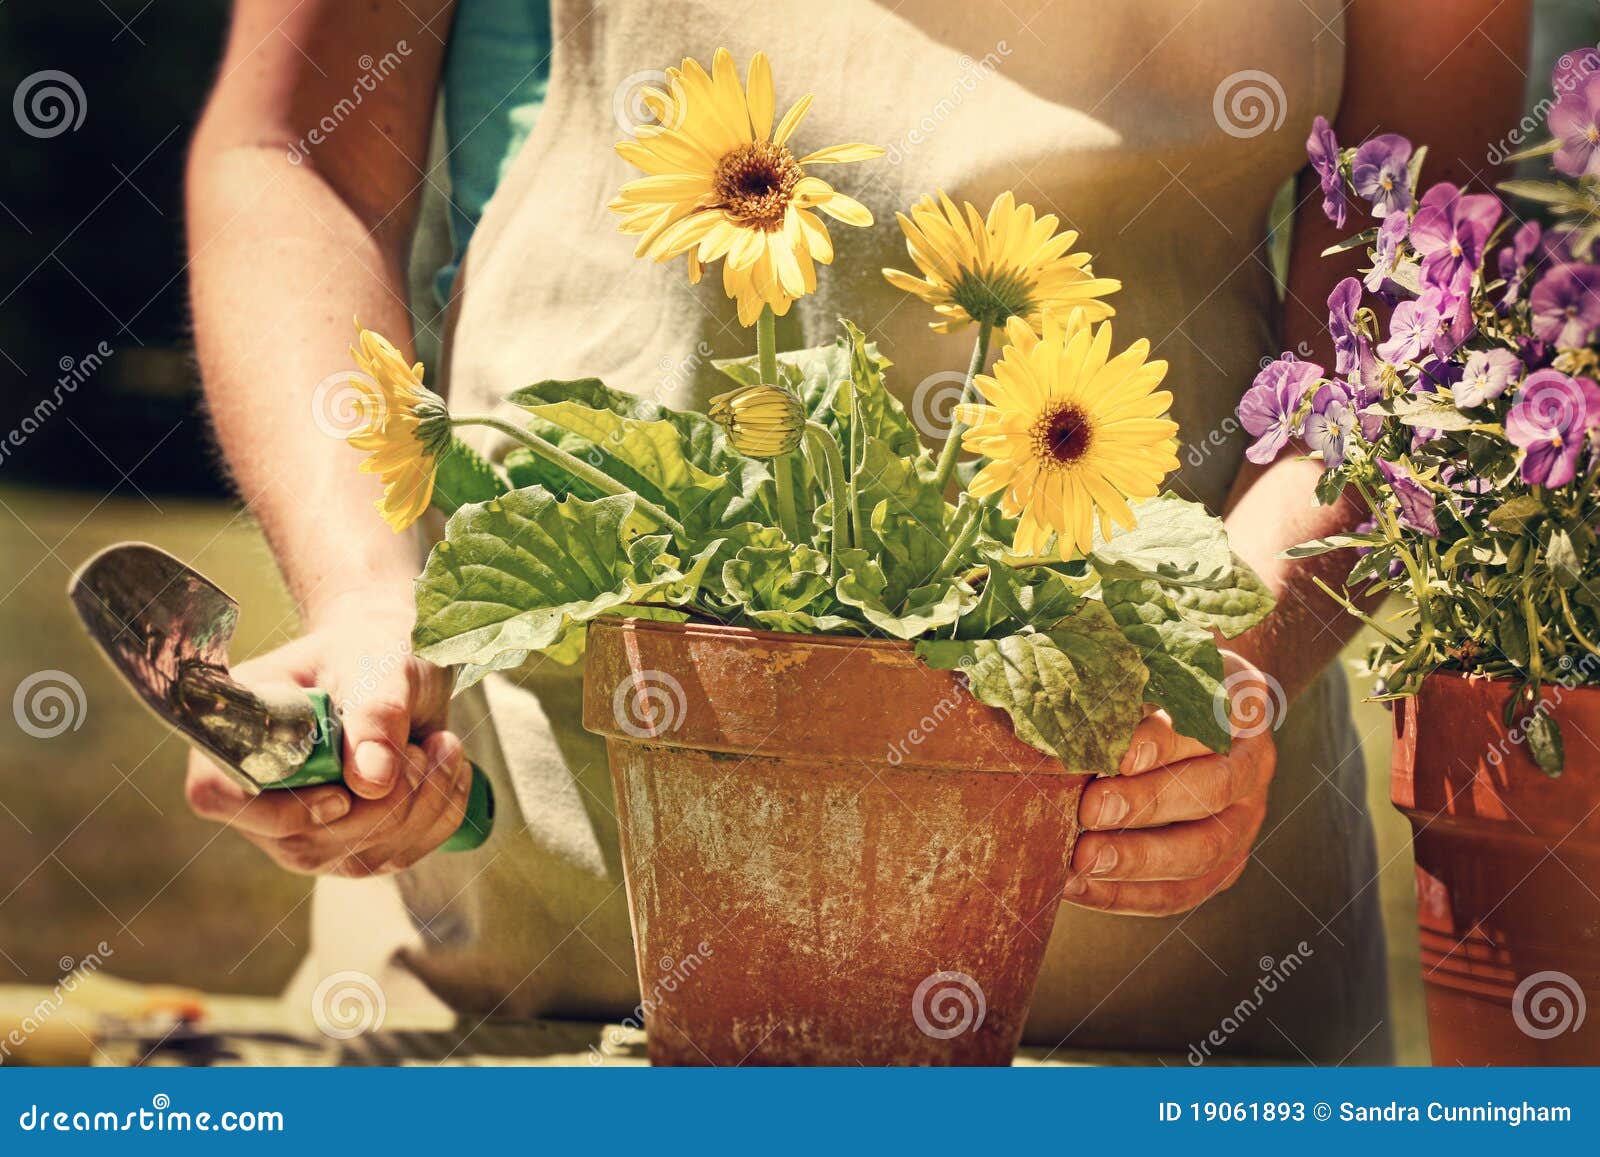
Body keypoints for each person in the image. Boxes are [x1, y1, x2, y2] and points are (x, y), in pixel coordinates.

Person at [184, 0, 1530, 1060]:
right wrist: (367, 594)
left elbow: (1425, 279)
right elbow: (292, 151)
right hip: (531, 960)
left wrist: (1233, 644)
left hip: (1157, 1000)